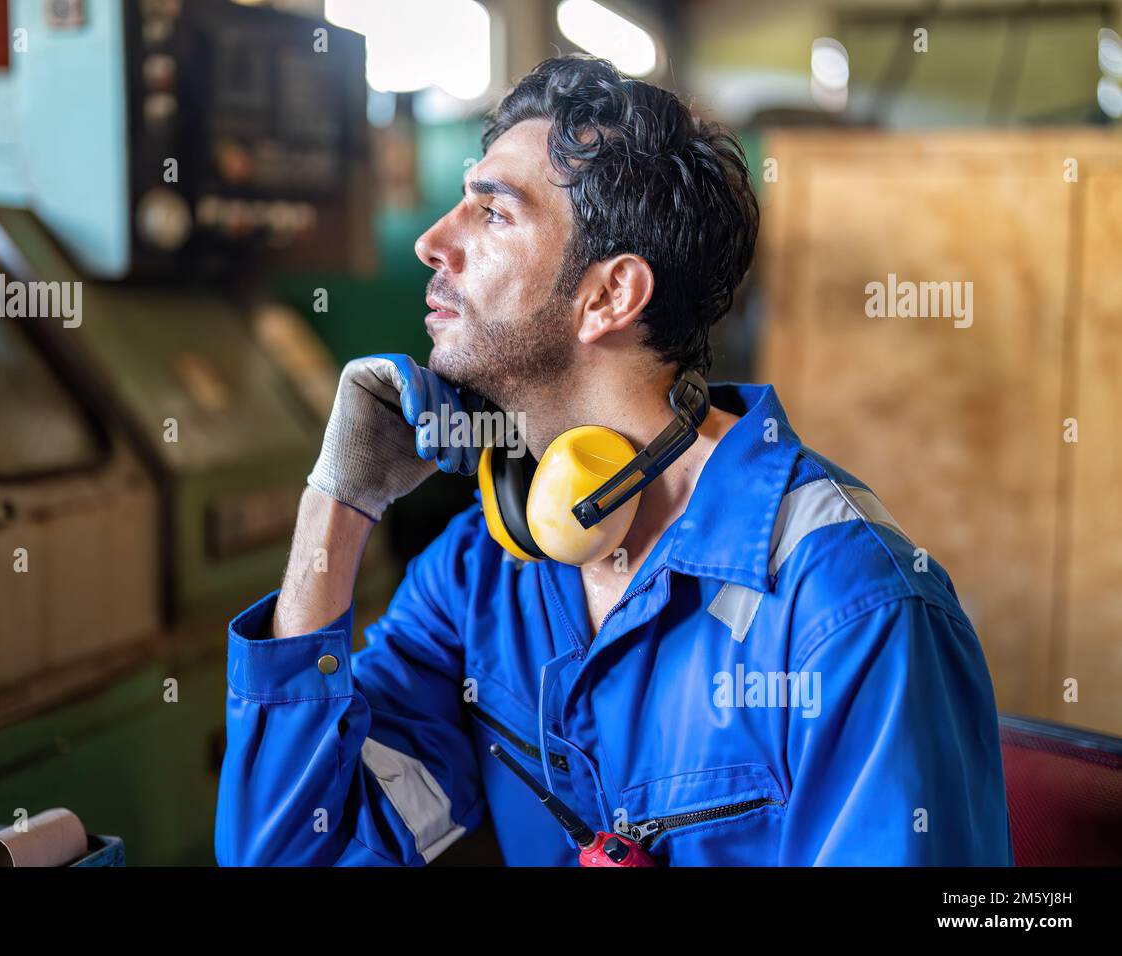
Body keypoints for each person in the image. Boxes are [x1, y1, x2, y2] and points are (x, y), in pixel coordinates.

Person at [215, 55, 1014, 866]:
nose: (430, 242)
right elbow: (284, 853)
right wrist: (339, 498)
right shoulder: (484, 573)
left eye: (493, 216)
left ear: (609, 296)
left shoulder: (850, 610)